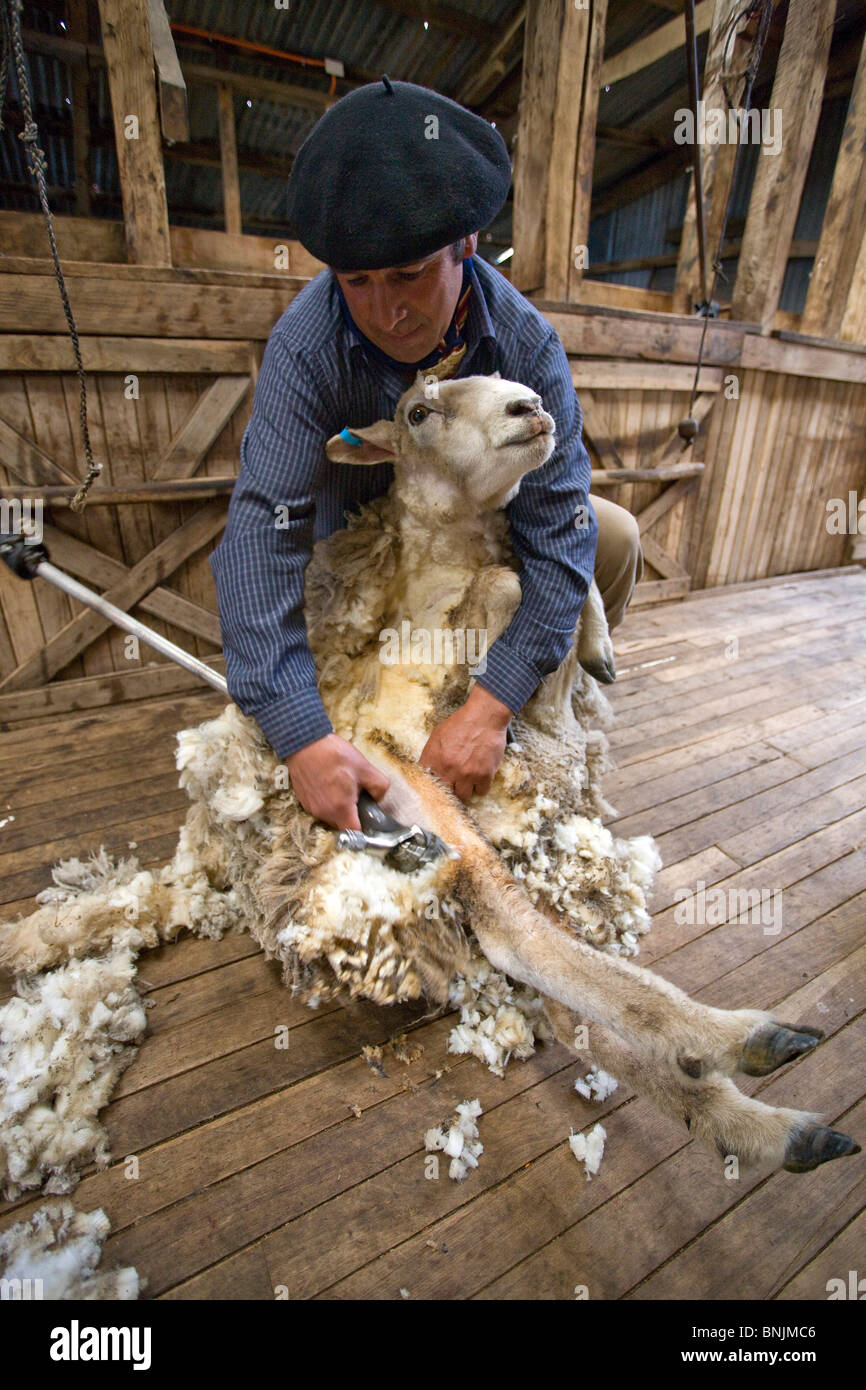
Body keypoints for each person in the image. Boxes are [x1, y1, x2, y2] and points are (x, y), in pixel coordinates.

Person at [209, 78, 643, 833]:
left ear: (466, 244)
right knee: (302, 697)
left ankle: (541, 725)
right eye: (357, 283)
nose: (385, 312)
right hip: (363, 561)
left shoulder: (526, 342)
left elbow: (559, 522)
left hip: (482, 544)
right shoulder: (306, 348)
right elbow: (261, 528)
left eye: (408, 274)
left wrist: (493, 702)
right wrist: (300, 733)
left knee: (609, 536)